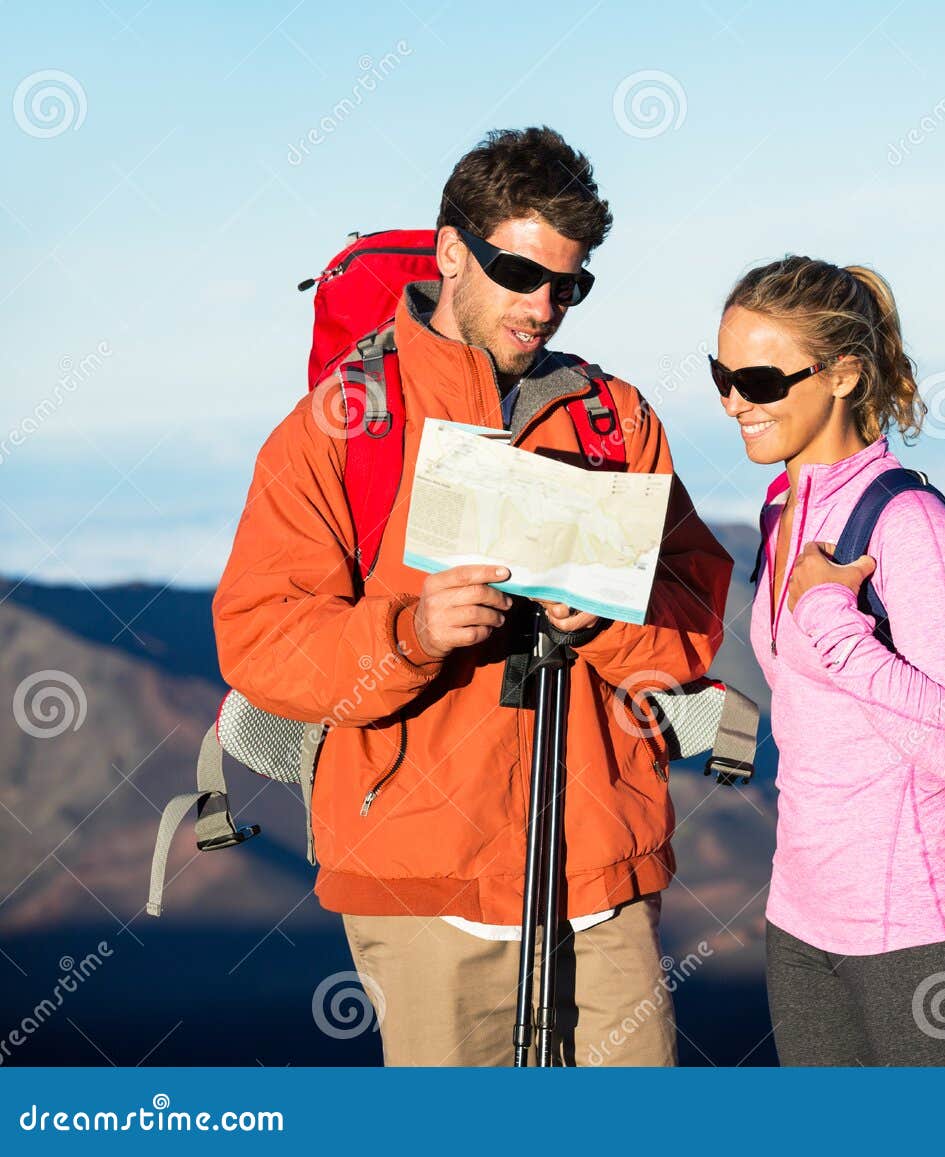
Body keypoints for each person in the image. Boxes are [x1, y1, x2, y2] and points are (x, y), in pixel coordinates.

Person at [213, 127, 732, 1066]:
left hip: (600, 871)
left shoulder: (613, 418)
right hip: (422, 880)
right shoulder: (342, 424)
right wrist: (410, 632)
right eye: (519, 272)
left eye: (569, 284)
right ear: (453, 250)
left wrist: (610, 618)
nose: (545, 307)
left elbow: (693, 612)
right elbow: (262, 638)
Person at [713, 256, 945, 1065]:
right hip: (803, 921)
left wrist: (831, 618)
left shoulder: (912, 526)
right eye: (723, 374)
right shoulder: (782, 511)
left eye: (761, 378)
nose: (737, 399)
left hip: (917, 930)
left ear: (843, 375)